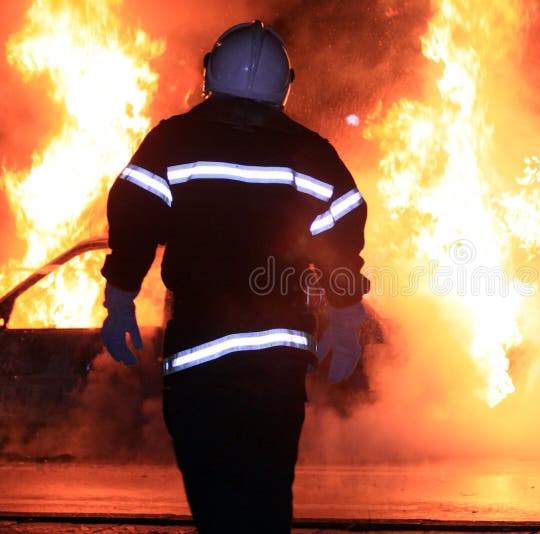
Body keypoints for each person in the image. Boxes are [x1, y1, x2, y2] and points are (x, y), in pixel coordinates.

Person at [99, 20, 369, 532]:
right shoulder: (314, 154)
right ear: (285, 83)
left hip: (201, 358)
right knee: (267, 500)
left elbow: (132, 220)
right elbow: (341, 247)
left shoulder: (172, 143)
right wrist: (346, 317)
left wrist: (120, 298)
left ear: (209, 72)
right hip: (279, 364)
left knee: (217, 505)